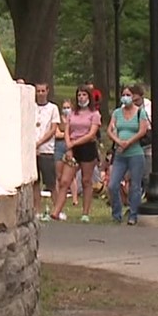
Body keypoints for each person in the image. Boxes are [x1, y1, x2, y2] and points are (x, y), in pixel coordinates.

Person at [50, 88, 101, 223]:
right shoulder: (73, 114)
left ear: (89, 97)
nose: (81, 97)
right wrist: (69, 145)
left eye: (84, 95)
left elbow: (91, 134)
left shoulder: (94, 114)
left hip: (87, 148)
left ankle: (85, 212)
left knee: (86, 180)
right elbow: (67, 130)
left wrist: (75, 143)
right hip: (72, 148)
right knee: (65, 180)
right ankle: (56, 211)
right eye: (79, 95)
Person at [107, 85, 150, 225]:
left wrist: (129, 142)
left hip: (135, 153)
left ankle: (133, 214)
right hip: (120, 154)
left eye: (128, 94)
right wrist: (119, 141)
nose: (125, 97)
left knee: (135, 186)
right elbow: (110, 130)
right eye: (123, 94)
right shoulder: (117, 113)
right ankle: (116, 213)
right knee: (113, 185)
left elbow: (142, 131)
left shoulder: (140, 113)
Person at [32, 83, 60, 221]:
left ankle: (57, 209)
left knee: (50, 182)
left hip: (46, 149)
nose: (41, 93)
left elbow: (53, 129)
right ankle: (37, 209)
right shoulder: (31, 107)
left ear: (47, 91)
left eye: (43, 91)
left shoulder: (53, 108)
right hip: (32, 150)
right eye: (38, 91)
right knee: (35, 182)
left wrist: (40, 142)